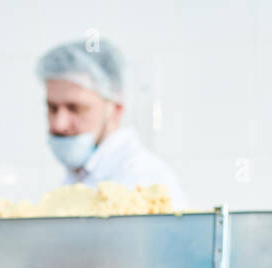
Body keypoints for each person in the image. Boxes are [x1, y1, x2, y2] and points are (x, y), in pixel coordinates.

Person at [38, 38, 190, 207]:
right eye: (52, 108)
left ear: (116, 109)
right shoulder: (77, 178)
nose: (59, 124)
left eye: (75, 108)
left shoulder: (144, 181)